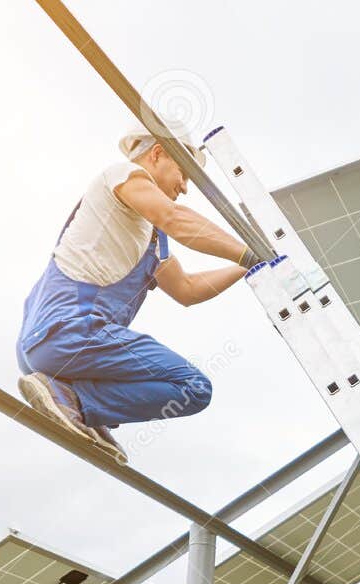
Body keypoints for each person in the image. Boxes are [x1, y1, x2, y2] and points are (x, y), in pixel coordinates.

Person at [16, 129, 261, 463]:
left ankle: (76, 401)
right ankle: (77, 401)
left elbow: (187, 289)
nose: (185, 187)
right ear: (157, 153)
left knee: (193, 392)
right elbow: (176, 219)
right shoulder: (121, 175)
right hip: (68, 334)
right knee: (193, 386)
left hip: (53, 348)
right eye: (183, 173)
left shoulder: (151, 239)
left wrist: (251, 266)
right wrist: (248, 251)